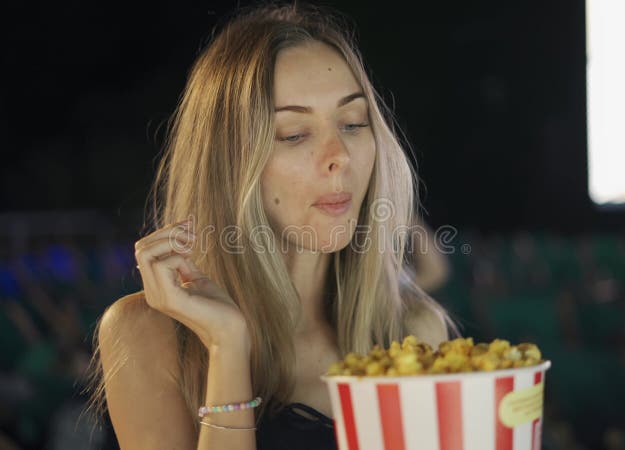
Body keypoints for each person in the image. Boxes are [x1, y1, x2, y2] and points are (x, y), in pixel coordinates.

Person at [82, 3, 462, 449]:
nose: (339, 153)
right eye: (295, 134)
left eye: (354, 122)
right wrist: (227, 346)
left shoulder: (414, 332)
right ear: (229, 164)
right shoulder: (150, 334)